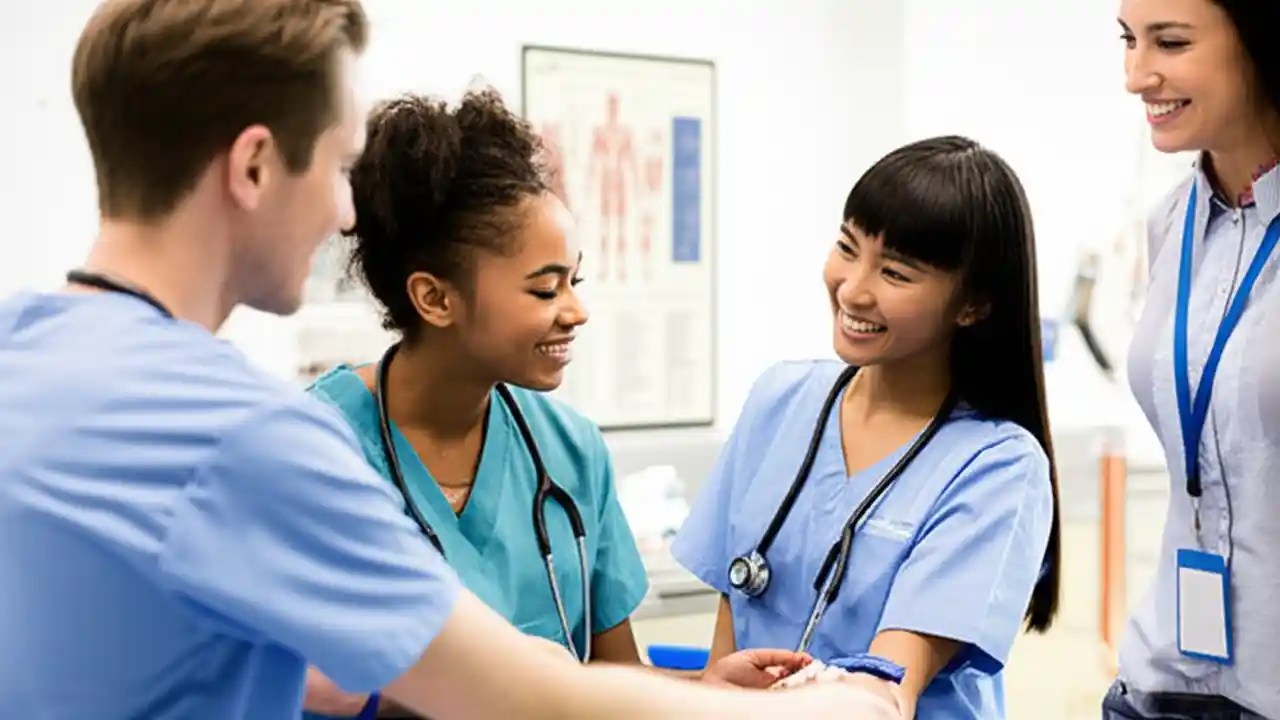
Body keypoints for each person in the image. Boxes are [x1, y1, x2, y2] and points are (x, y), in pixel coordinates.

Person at [0, 1, 906, 719]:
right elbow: (521, 701)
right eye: (337, 168)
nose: (346, 217)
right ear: (254, 167)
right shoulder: (246, 437)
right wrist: (828, 710)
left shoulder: (19, 359)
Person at [300, 90, 804, 718]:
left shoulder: (569, 451)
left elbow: (612, 677)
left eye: (575, 280)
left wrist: (709, 693)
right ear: (434, 299)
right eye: (544, 288)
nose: (576, 310)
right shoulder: (312, 450)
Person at [671, 135, 1062, 720]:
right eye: (847, 248)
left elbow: (887, 691)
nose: (853, 289)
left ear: (973, 303)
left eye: (896, 273)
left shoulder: (999, 466)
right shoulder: (779, 401)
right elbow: (728, 647)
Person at [1107, 0, 1280, 717]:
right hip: (1160, 686)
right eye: (1128, 41)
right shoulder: (1170, 223)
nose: (1136, 76)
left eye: (1170, 43)